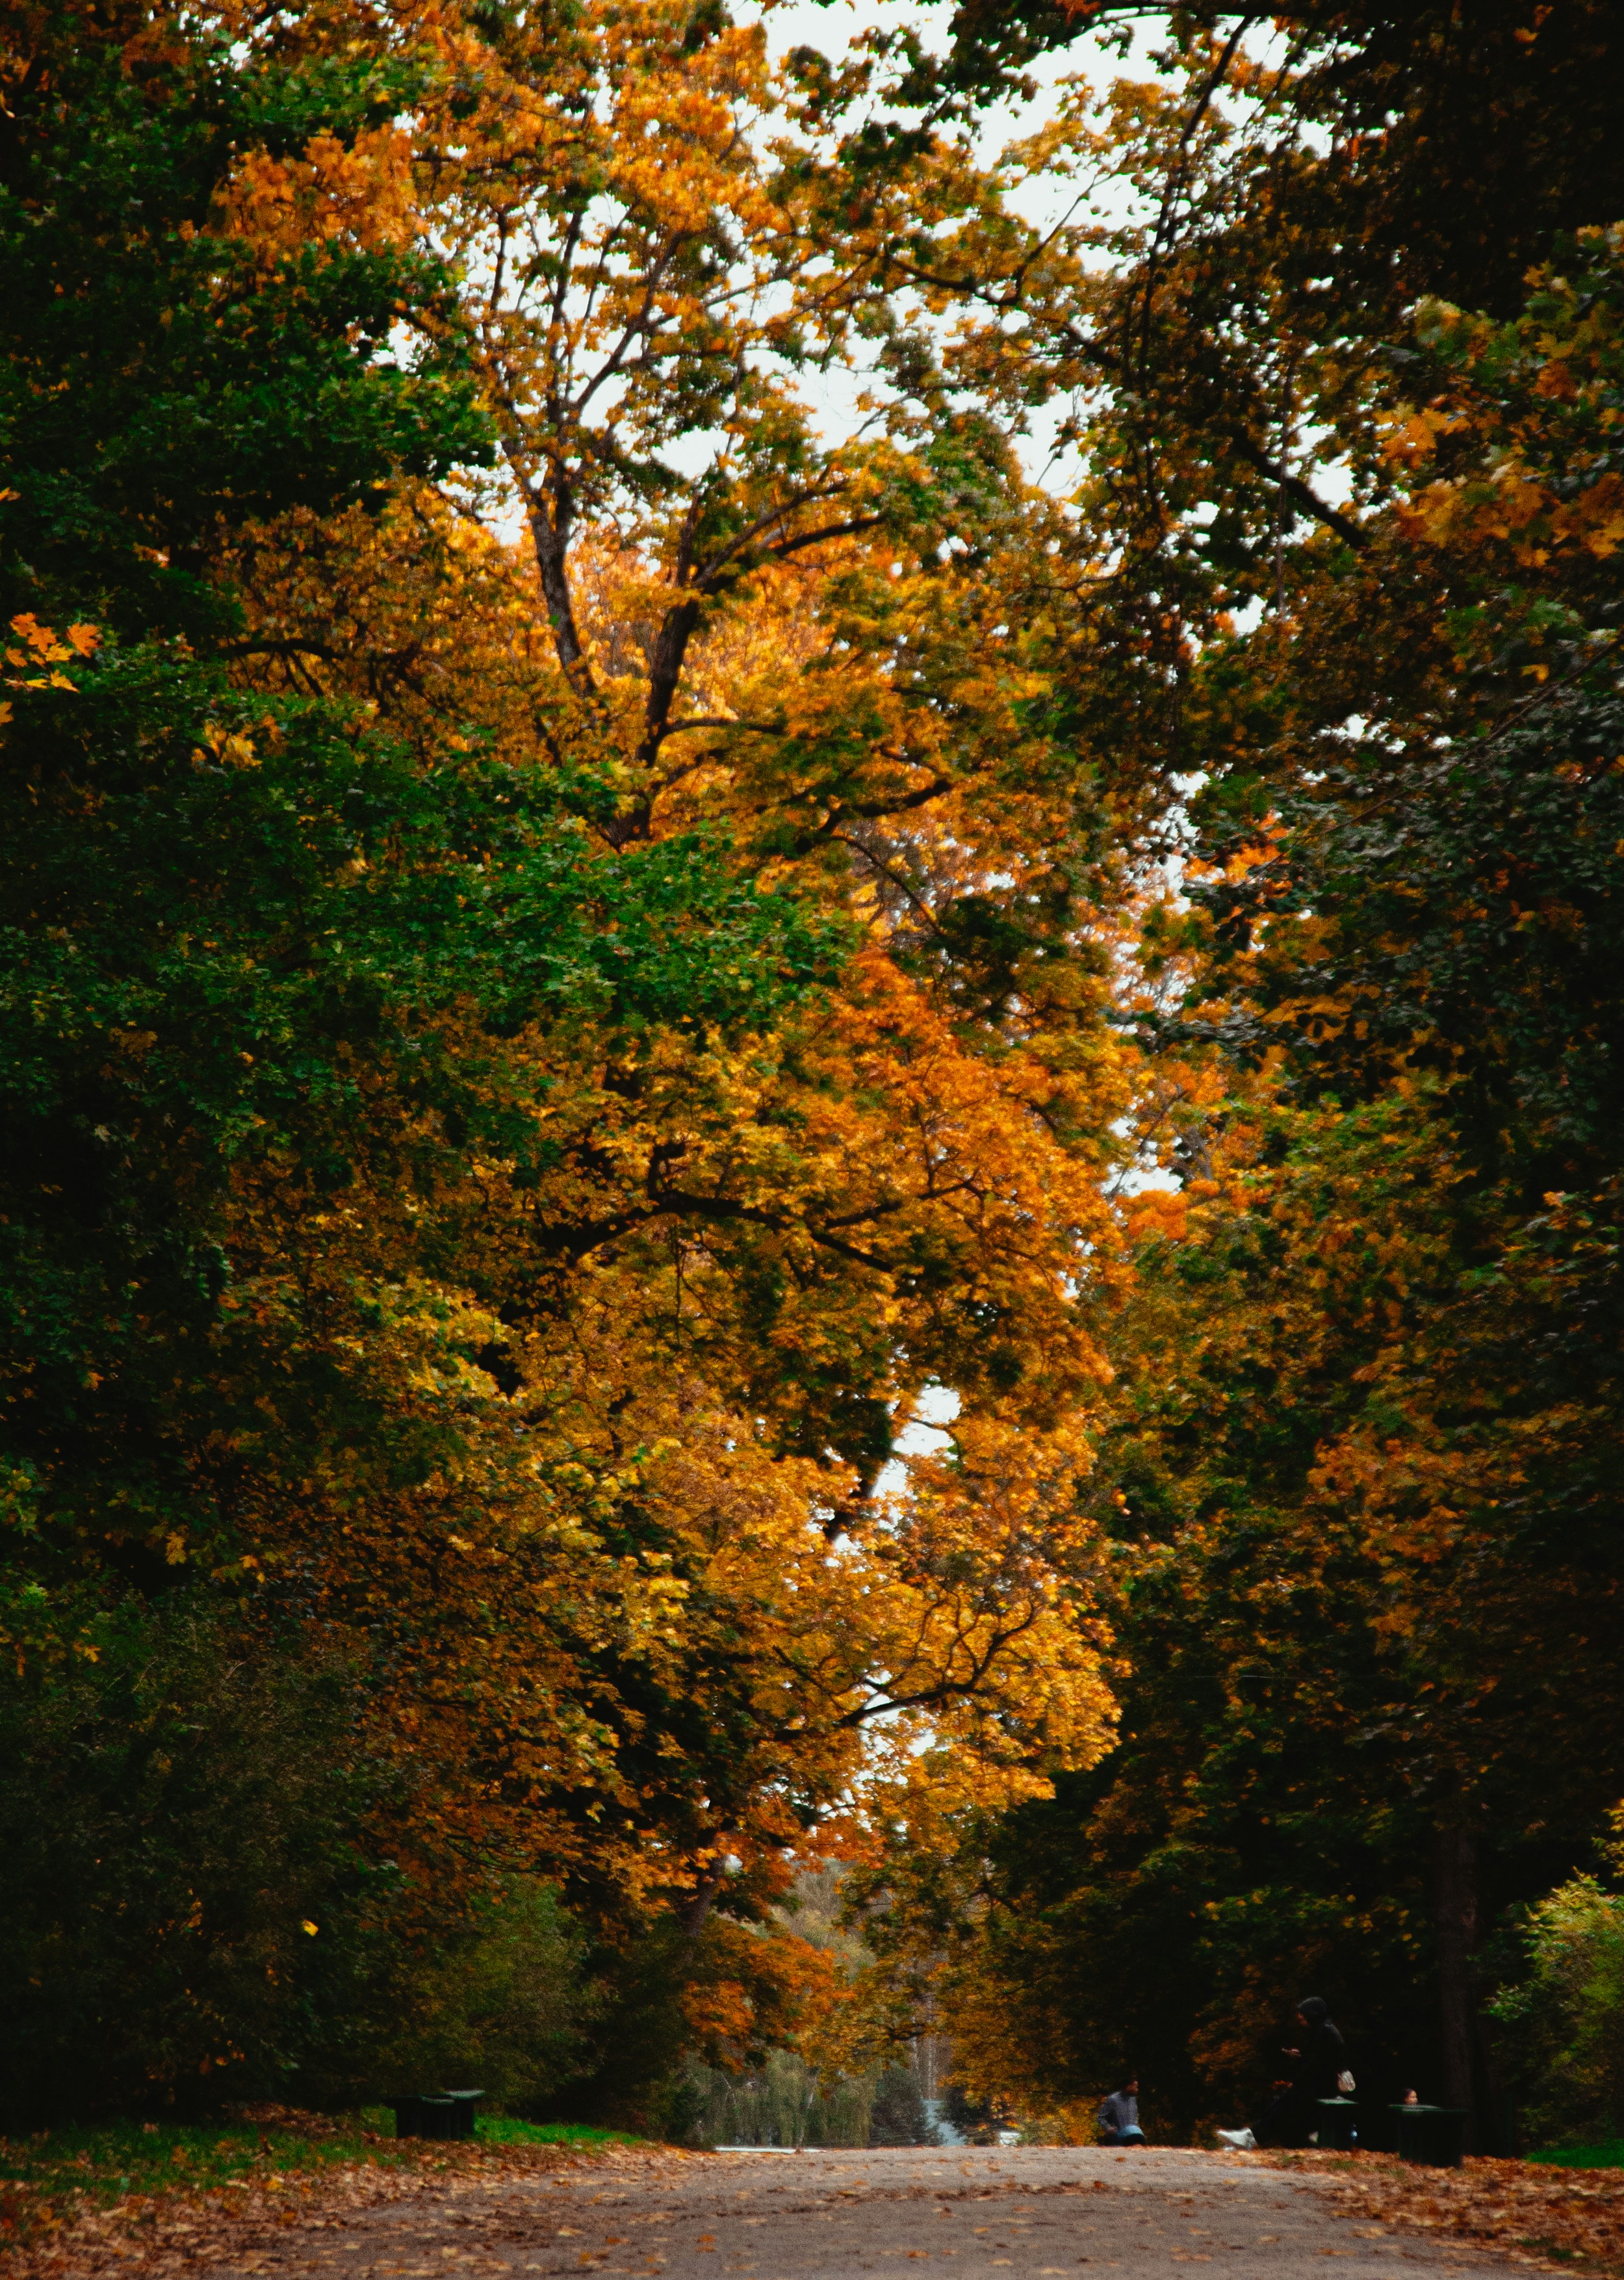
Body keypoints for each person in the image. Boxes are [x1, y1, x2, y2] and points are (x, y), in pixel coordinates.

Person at [1215, 1997, 1347, 2151]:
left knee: (1285, 2104)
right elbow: (1318, 2061)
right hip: (1321, 2085)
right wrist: (1301, 2057)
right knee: (1282, 2104)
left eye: (1304, 2017)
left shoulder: (1325, 2032)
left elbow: (1316, 2066)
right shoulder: (1324, 2030)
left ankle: (1250, 2138)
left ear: (1313, 2015)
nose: (1302, 2021)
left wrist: (1297, 2081)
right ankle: (1249, 2138)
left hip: (1322, 2088)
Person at [1098, 2076, 1146, 2147]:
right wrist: (1108, 2128)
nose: (1137, 2089)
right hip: (1116, 2140)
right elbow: (1101, 2117)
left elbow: (1135, 2118)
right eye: (1135, 2087)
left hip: (1133, 2137)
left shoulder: (1133, 2100)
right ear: (1129, 2087)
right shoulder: (1113, 2100)